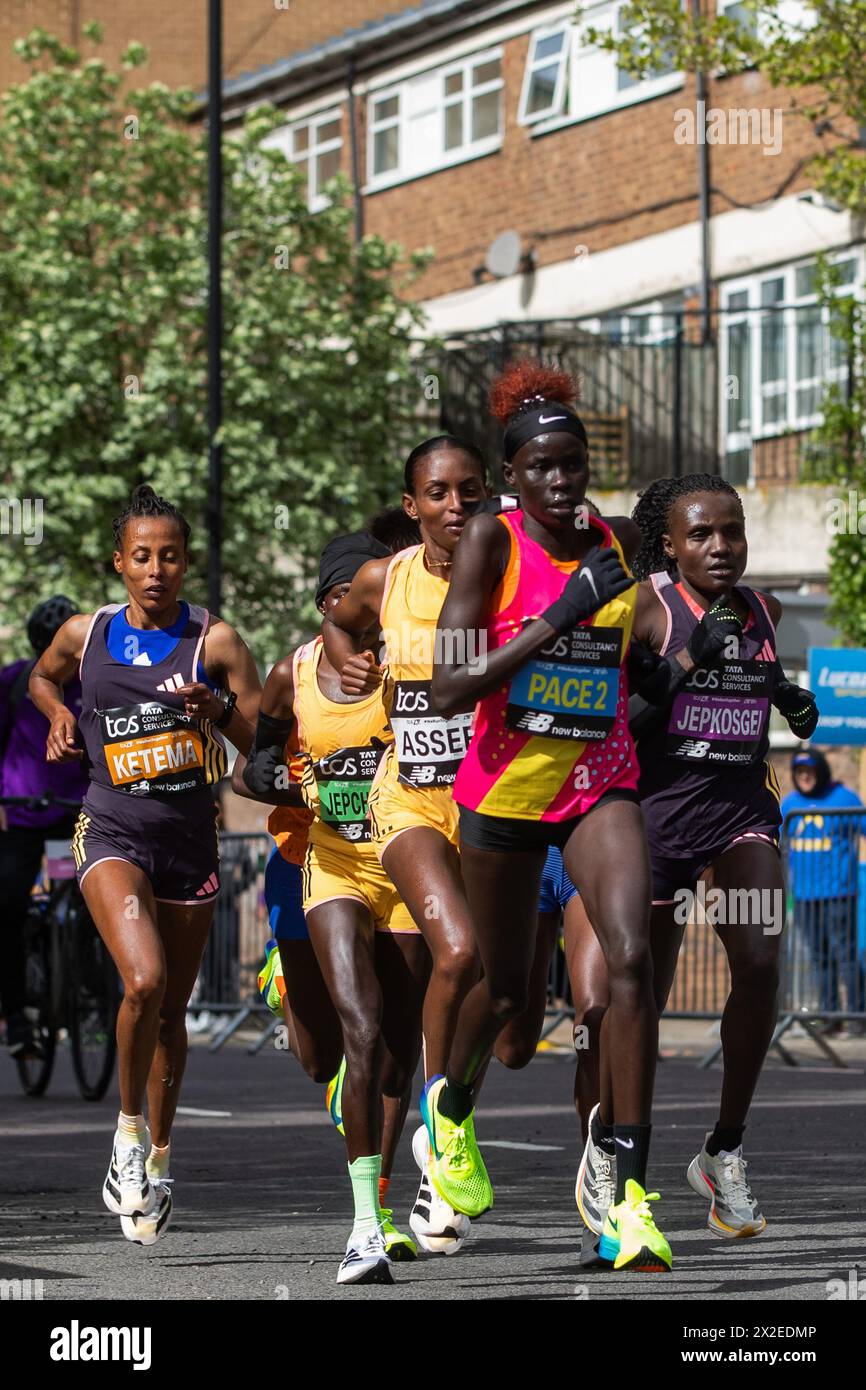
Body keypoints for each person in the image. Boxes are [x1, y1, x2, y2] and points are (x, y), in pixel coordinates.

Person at [428, 359, 673, 1273]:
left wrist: (654, 664)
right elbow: (451, 685)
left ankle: (632, 1193)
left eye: (574, 464)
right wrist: (560, 615)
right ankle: (448, 1111)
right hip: (502, 795)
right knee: (505, 1000)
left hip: (596, 779)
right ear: (512, 479)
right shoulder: (492, 544)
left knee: (632, 958)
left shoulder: (612, 542)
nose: (564, 483)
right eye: (544, 469)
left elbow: (633, 662)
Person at [574, 472, 816, 1247]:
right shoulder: (644, 607)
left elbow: (755, 679)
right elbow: (615, 718)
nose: (721, 547)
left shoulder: (763, 611)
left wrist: (787, 699)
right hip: (651, 820)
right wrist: (684, 663)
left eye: (733, 533)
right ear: (670, 545)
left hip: (739, 811)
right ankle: (613, 1144)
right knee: (637, 991)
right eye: (702, 535)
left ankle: (725, 1149)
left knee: (760, 961)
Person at [29, 484, 261, 1245]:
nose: (155, 569)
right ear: (119, 562)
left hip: (190, 842)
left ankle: (161, 1156)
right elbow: (43, 675)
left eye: (169, 556)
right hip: (112, 829)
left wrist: (216, 712)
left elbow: (262, 737)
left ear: (185, 561)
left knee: (170, 1016)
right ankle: (126, 1138)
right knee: (145, 980)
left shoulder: (214, 642)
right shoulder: (85, 632)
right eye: (141, 556)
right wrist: (61, 713)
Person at [242, 531, 430, 1285]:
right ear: (333, 600)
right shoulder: (290, 675)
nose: (389, 596)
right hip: (334, 865)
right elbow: (255, 764)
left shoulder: (408, 662)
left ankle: (380, 1206)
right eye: (373, 587)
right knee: (355, 1031)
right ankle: (361, 1228)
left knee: (396, 1048)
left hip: (406, 865)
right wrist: (297, 785)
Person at [321, 436, 491, 1256]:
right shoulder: (386, 578)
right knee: (453, 957)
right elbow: (340, 623)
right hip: (410, 798)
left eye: (468, 492)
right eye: (437, 493)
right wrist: (357, 668)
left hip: (493, 804)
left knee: (501, 1006)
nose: (454, 507)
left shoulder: (513, 570)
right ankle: (426, 1129)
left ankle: (442, 1145)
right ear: (412, 502)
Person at [0, 596, 87, 1058]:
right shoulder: (17, 682)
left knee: (92, 905)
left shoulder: (93, 680)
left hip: (76, 816)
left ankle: (89, 987)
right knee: (8, 906)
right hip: (22, 816)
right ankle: (16, 1017)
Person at [782, 749, 866, 1022]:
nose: (805, 777)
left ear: (821, 772)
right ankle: (830, 1017)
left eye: (810, 772)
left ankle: (855, 1016)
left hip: (839, 892)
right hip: (805, 895)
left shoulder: (844, 798)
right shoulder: (789, 804)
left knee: (846, 956)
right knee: (819, 957)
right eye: (800, 773)